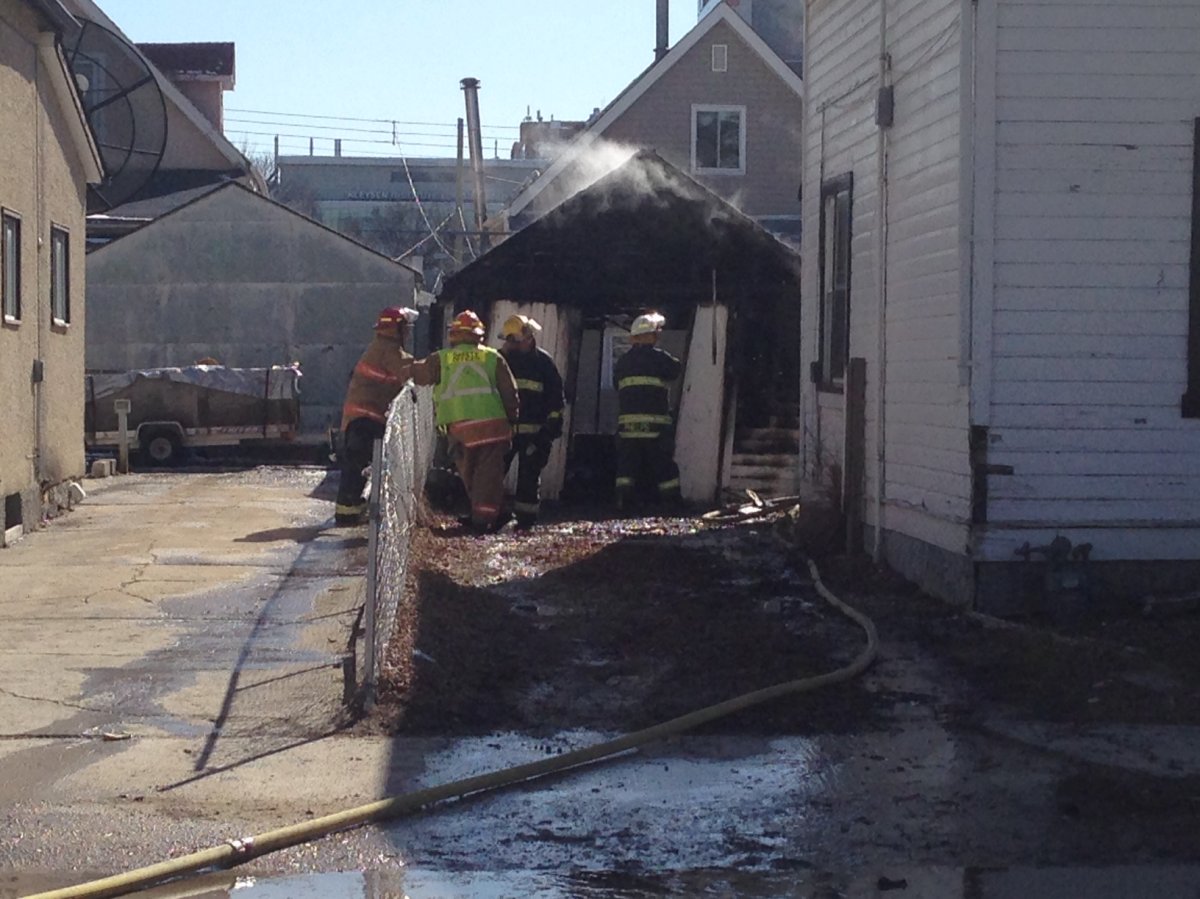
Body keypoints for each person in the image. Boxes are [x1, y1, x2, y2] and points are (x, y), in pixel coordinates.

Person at [413, 310, 519, 533]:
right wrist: (513, 418)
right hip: (493, 427)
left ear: (454, 334)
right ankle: (486, 519)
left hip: (459, 430)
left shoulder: (442, 359)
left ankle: (483, 516)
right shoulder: (492, 357)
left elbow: (420, 375)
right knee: (487, 477)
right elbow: (510, 393)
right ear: (478, 335)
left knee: (471, 476)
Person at [334, 306, 419, 525]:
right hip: (366, 419)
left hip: (362, 418)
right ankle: (347, 514)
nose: (408, 332)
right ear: (398, 328)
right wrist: (435, 367)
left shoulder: (382, 347)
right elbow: (407, 370)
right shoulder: (388, 350)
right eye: (406, 327)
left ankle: (349, 510)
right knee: (358, 467)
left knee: (357, 466)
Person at [497, 314, 566, 530]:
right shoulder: (499, 361)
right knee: (492, 475)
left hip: (534, 435)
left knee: (528, 478)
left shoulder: (544, 363)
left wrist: (549, 431)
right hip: (503, 432)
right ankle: (491, 516)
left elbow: (556, 399)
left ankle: (525, 522)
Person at [613, 311, 682, 510]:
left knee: (627, 467)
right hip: (656, 427)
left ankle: (622, 502)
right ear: (649, 336)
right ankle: (672, 503)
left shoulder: (623, 362)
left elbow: (617, 385)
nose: (658, 336)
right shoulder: (659, 358)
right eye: (655, 332)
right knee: (663, 466)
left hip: (628, 429)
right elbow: (675, 370)